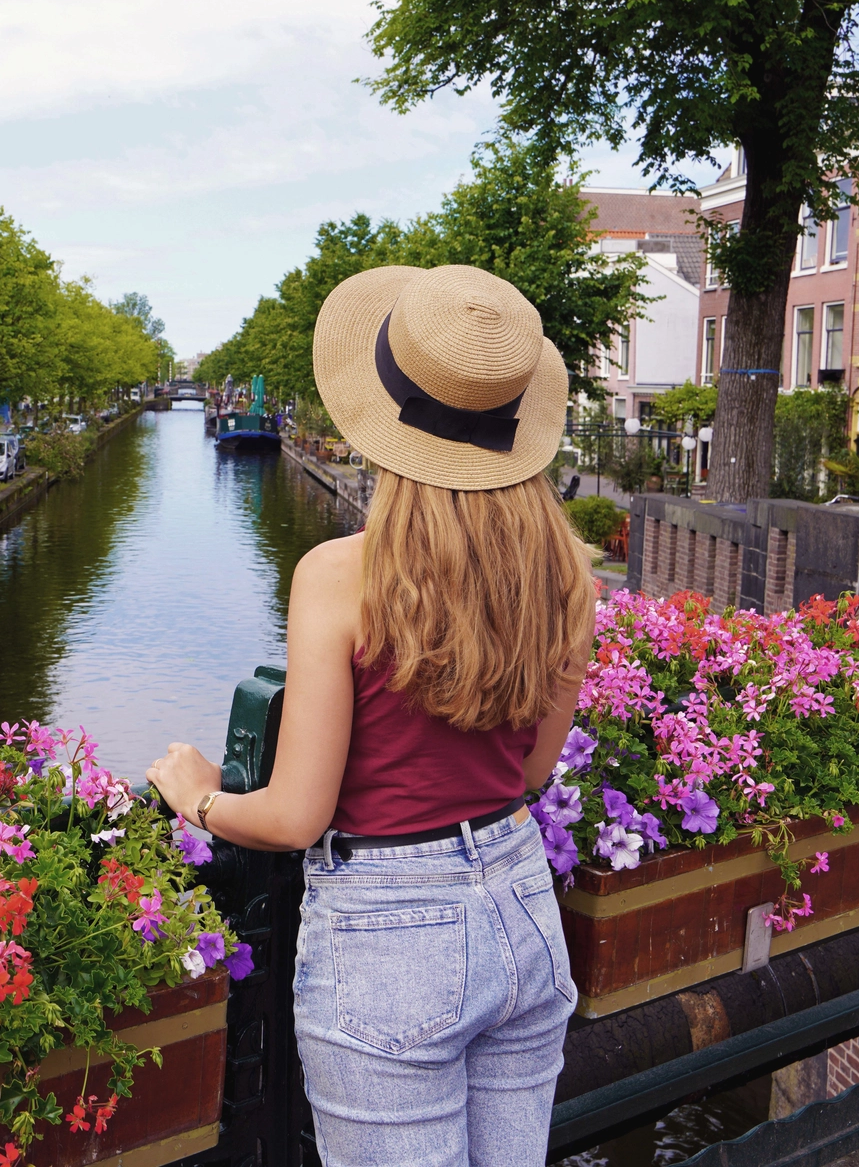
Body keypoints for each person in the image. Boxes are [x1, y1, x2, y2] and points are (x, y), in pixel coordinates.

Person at [147, 264, 594, 1166]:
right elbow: (535, 772)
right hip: (521, 900)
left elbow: (296, 815)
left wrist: (198, 796)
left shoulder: (341, 577)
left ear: (382, 420)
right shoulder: (568, 572)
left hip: (391, 939)